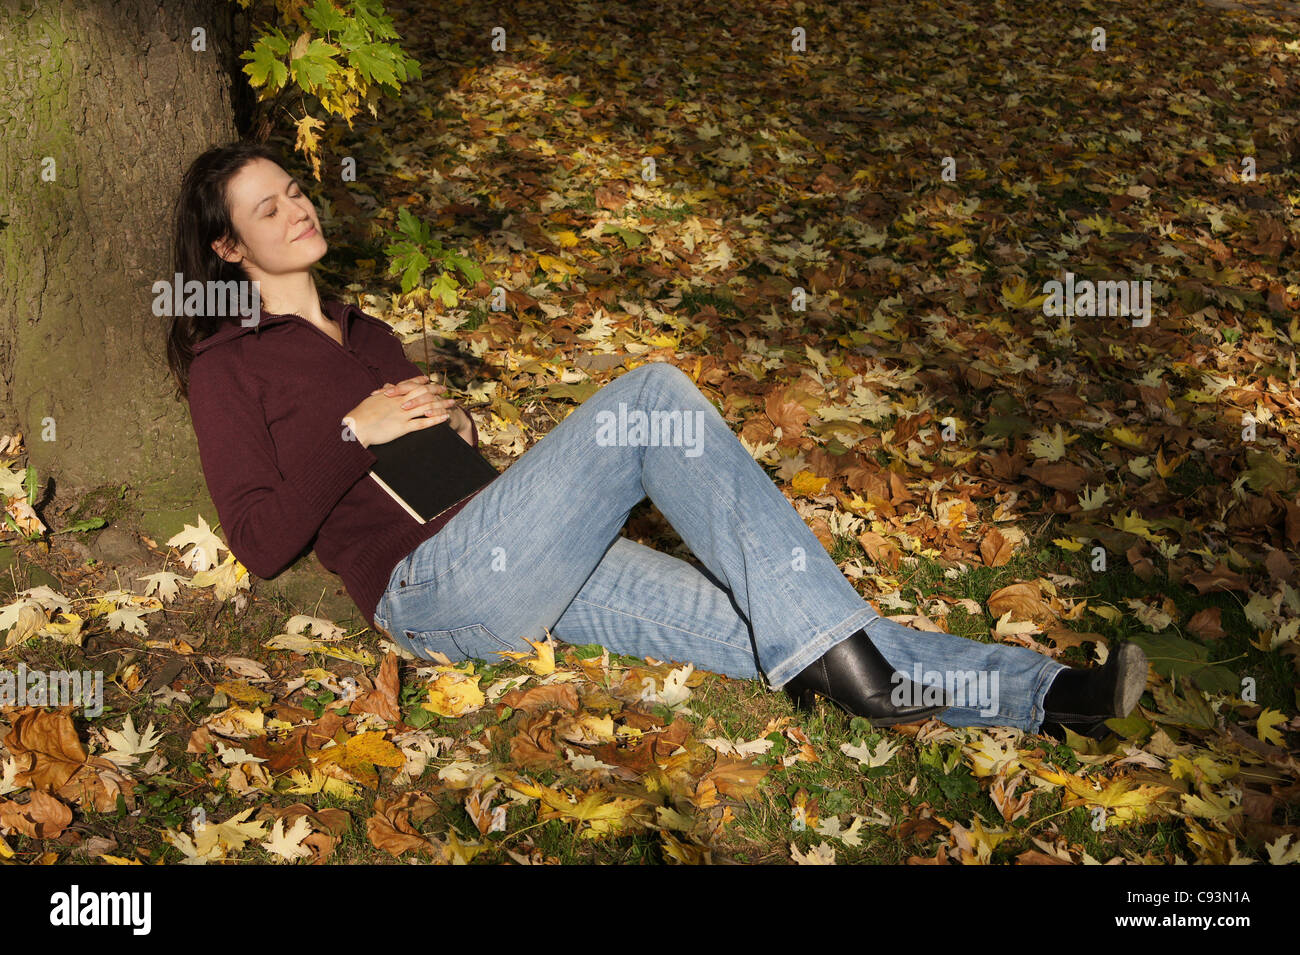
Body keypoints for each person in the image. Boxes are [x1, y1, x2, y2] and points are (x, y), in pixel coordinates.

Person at [166, 141, 1148, 738]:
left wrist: (458, 435)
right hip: (430, 592)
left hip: (514, 555)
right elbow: (257, 540)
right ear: (227, 248)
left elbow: (445, 475)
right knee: (648, 395)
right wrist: (355, 428)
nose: (296, 209)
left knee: (770, 620)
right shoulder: (227, 365)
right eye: (268, 209)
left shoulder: (365, 328)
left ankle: (1055, 698)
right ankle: (877, 678)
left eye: (294, 191)